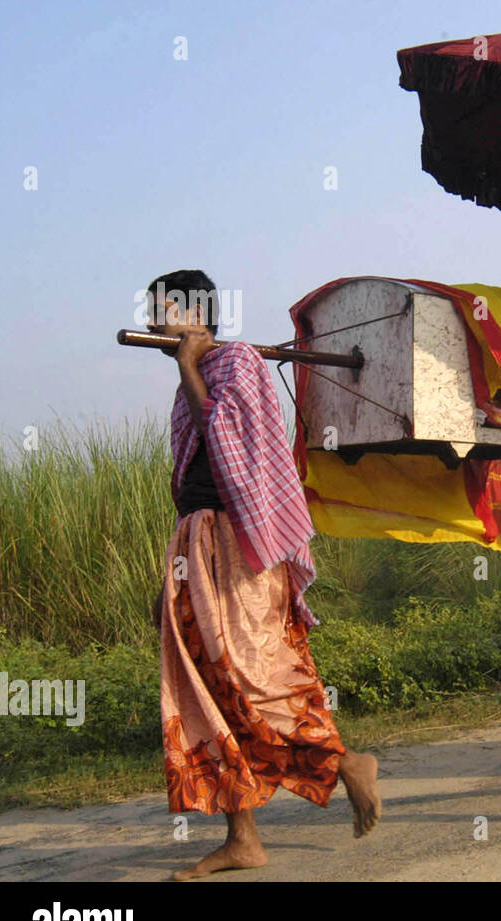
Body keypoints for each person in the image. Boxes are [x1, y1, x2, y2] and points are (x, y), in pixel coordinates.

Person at [145, 269, 381, 882]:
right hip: (197, 540)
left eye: (162, 308)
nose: (151, 319)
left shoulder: (238, 363)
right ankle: (242, 837)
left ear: (195, 313)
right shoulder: (199, 373)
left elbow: (226, 440)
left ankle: (346, 762)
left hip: (239, 543)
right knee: (205, 686)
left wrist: (190, 366)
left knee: (254, 676)